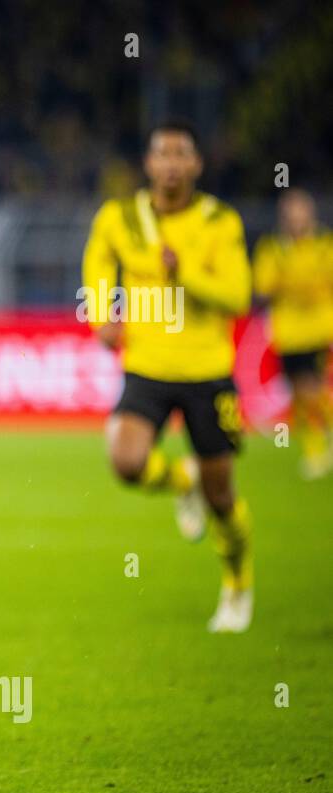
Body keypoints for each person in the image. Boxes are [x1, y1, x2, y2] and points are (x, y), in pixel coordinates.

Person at [82, 121, 253, 633]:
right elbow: (97, 259)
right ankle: (183, 481)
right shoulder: (121, 217)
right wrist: (99, 315)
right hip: (148, 367)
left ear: (197, 164)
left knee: (223, 498)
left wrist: (187, 275)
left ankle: (237, 585)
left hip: (207, 371)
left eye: (182, 154)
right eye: (163, 153)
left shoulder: (220, 221)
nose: (172, 163)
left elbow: (239, 297)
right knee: (126, 461)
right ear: (149, 164)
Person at [253, 189, 333, 479]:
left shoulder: (324, 246)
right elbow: (262, 288)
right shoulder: (273, 248)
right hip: (287, 331)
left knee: (311, 388)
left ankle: (320, 448)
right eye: (292, 215)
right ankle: (316, 445)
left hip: (317, 329)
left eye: (302, 213)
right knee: (299, 394)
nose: (297, 220)